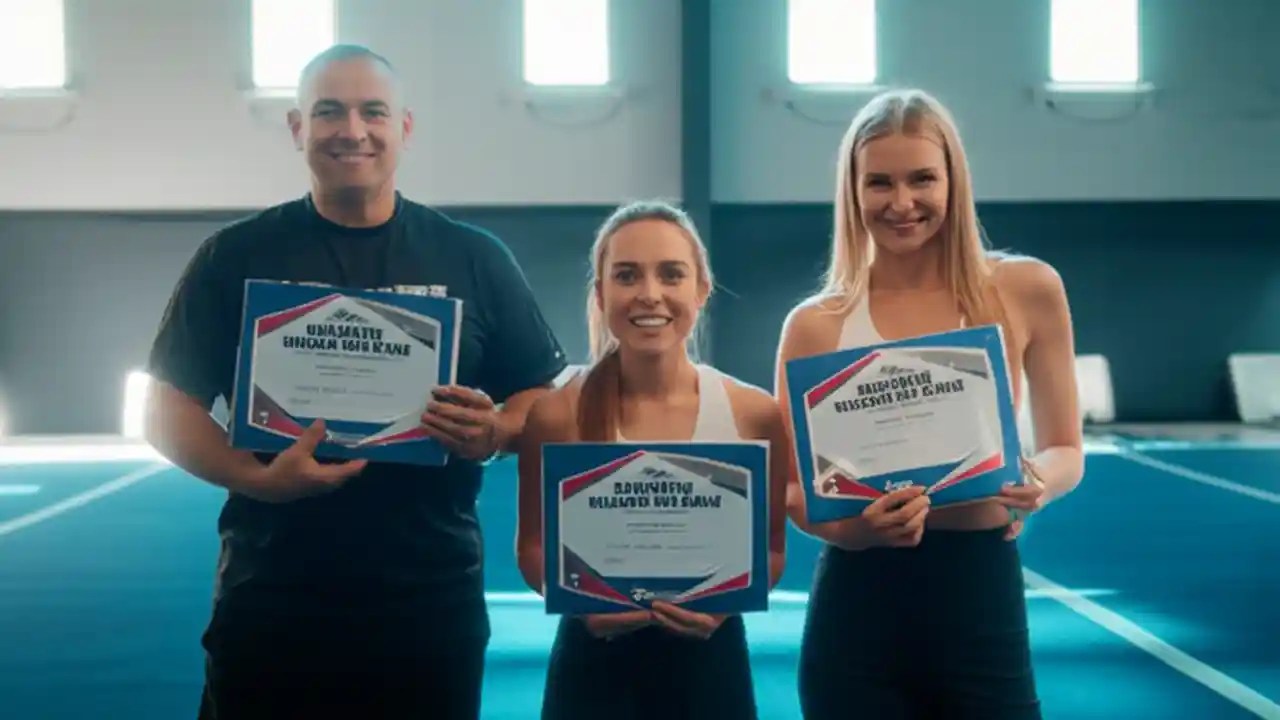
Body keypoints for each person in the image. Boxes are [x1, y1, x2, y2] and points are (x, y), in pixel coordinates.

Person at [143, 45, 567, 719]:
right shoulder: (234, 256)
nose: (352, 130)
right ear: (297, 128)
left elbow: (540, 395)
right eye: (328, 112)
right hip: (272, 595)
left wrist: (494, 430)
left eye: (373, 111)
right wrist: (256, 478)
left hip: (429, 600)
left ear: (405, 127)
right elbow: (166, 406)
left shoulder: (474, 258)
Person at [773, 89, 1085, 719]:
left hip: (981, 592)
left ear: (953, 181)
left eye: (921, 179)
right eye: (879, 182)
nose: (901, 202)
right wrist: (855, 530)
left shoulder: (1026, 289)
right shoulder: (816, 324)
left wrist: (1038, 482)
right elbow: (794, 489)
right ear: (852, 191)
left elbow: (1065, 448)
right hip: (859, 603)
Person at [515, 200, 790, 719]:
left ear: (701, 289)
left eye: (671, 274)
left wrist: (722, 605)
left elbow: (772, 550)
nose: (649, 293)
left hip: (711, 666)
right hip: (592, 666)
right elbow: (532, 548)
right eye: (626, 275)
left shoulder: (753, 414)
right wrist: (582, 604)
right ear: (601, 294)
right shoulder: (557, 415)